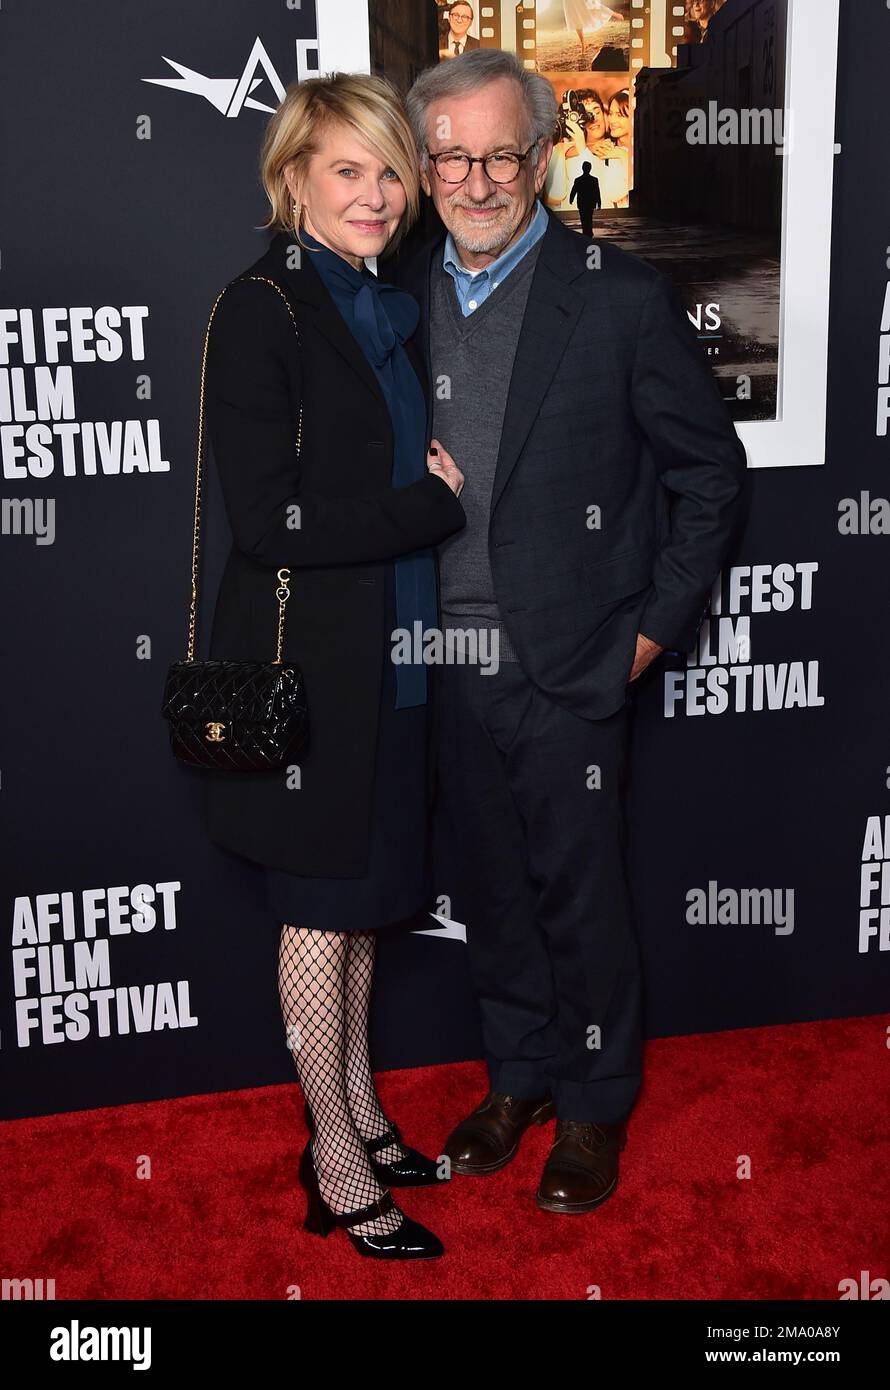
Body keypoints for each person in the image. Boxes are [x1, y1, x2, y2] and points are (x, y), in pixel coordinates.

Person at [391, 48, 748, 1214]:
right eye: (451, 154)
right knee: (489, 889)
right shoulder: (390, 294)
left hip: (570, 662)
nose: (477, 178)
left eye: (501, 153)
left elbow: (708, 476)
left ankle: (594, 1104)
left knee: (577, 895)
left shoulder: (616, 297)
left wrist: (647, 633)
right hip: (439, 654)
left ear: (542, 157)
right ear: (424, 162)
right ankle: (519, 1076)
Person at [201, 72, 466, 1259]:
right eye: (346, 169)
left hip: (391, 662)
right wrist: (423, 508)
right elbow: (269, 522)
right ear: (294, 177)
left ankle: (357, 1109)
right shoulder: (261, 304)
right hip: (309, 672)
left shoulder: (379, 301)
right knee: (317, 921)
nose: (374, 193)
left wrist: (416, 492)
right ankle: (332, 1160)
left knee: (360, 920)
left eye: (390, 170)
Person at [569, 160, 602, 235]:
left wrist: (571, 199)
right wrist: (599, 203)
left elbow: (574, 190)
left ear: (582, 168)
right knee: (589, 218)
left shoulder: (578, 180)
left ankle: (585, 232)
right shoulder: (594, 180)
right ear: (590, 169)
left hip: (582, 203)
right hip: (590, 203)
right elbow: (597, 192)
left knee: (583, 218)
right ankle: (589, 232)